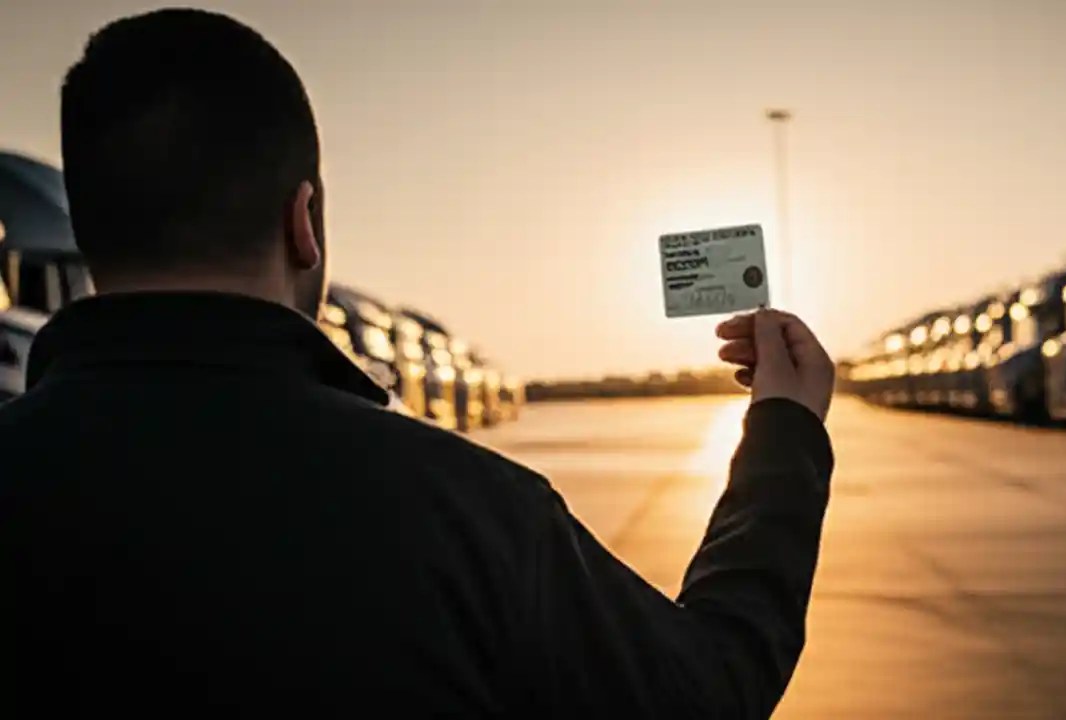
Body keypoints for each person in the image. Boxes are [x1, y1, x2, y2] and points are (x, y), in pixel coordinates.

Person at [0, 9, 835, 718]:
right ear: (306, 220)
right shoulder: (475, 513)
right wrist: (783, 436)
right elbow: (708, 690)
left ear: (90, 230)